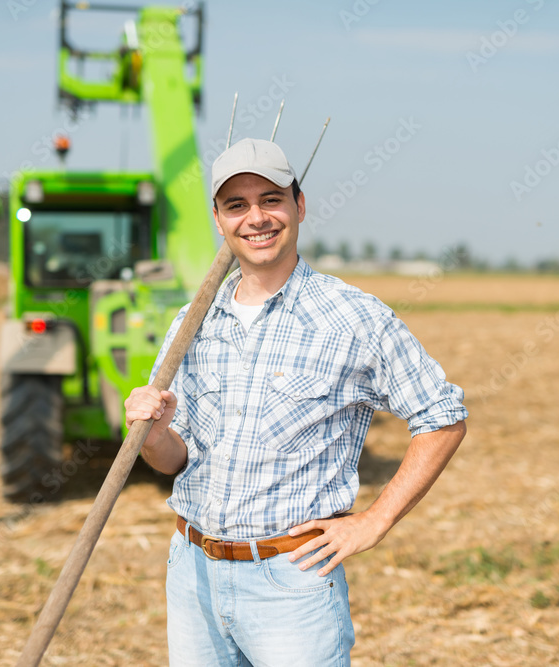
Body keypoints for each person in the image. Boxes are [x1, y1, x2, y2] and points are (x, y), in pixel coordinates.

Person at [123, 137, 467, 666]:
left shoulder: (353, 317)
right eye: (236, 205)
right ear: (218, 219)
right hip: (192, 573)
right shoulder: (192, 322)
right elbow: (174, 461)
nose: (256, 217)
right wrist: (154, 433)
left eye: (271, 200)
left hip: (291, 583)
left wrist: (374, 521)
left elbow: (442, 417)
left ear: (299, 206)